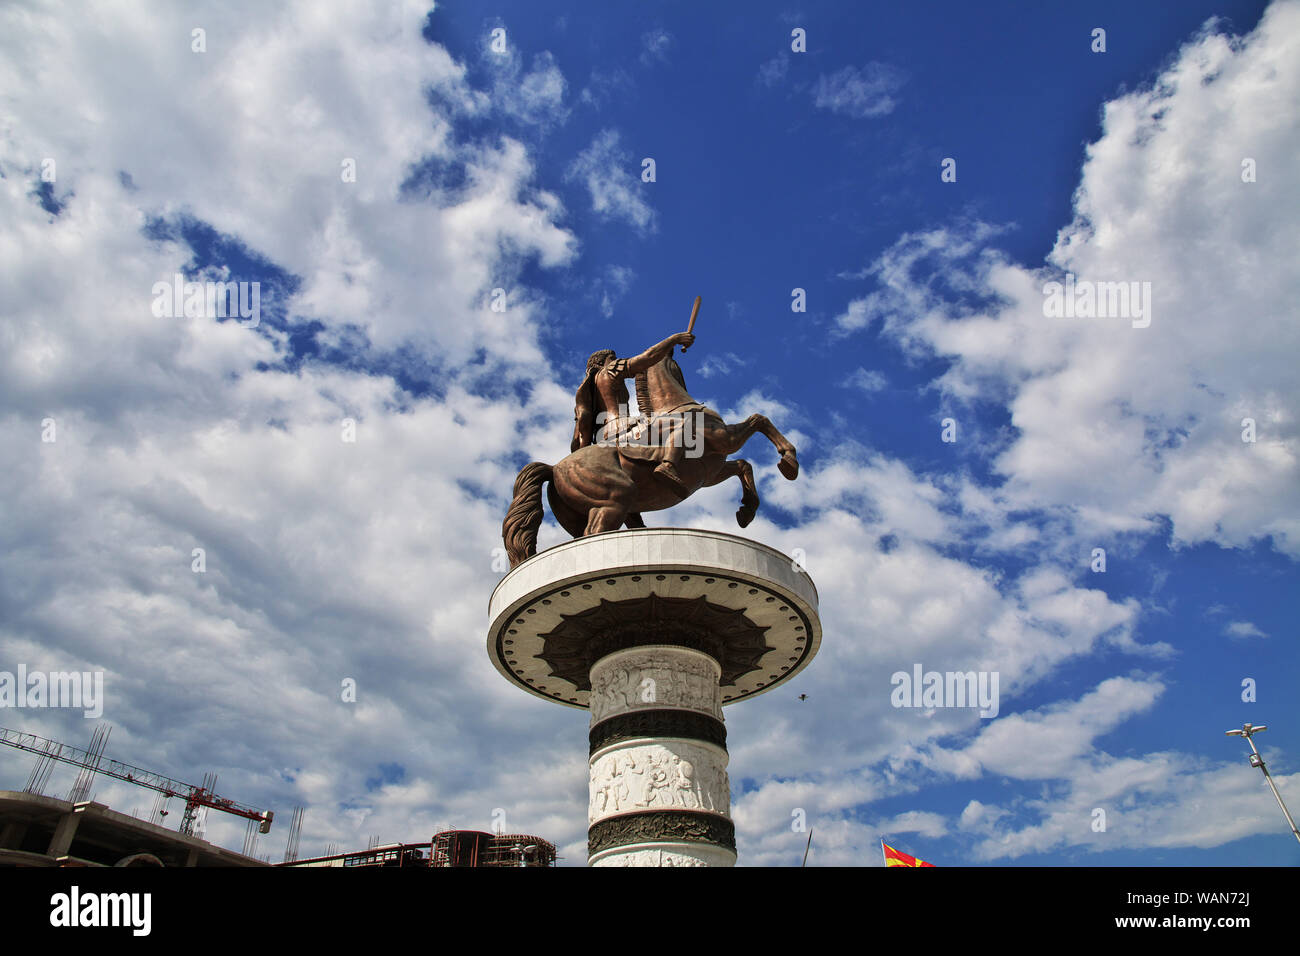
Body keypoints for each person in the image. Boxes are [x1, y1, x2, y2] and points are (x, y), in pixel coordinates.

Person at [571, 331, 695, 497]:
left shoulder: (589, 388)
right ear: (603, 362)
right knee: (684, 422)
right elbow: (646, 359)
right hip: (622, 430)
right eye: (612, 358)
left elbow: (584, 422)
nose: (615, 360)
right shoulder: (609, 370)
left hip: (602, 437)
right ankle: (668, 465)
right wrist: (674, 340)